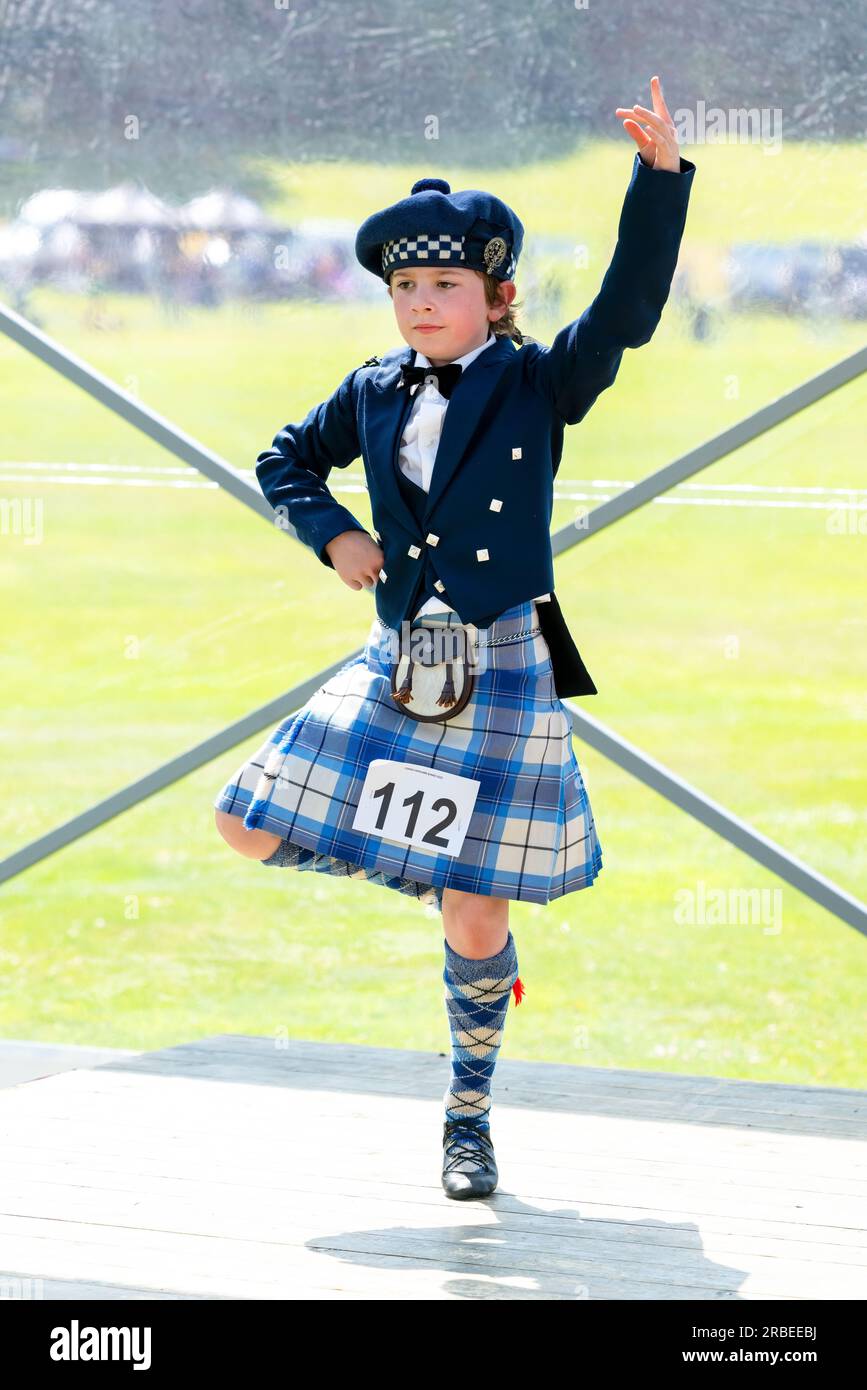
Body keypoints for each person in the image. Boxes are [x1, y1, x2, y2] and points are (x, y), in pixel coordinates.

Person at [214, 77, 696, 1199]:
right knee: (244, 823)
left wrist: (660, 182)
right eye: (405, 286)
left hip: (505, 658)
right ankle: (422, 860)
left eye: (445, 283)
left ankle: (467, 1115)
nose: (422, 303)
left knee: (478, 912)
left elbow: (625, 308)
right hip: (400, 660)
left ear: (497, 292)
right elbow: (284, 458)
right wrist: (332, 534)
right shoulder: (374, 387)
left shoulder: (538, 382)